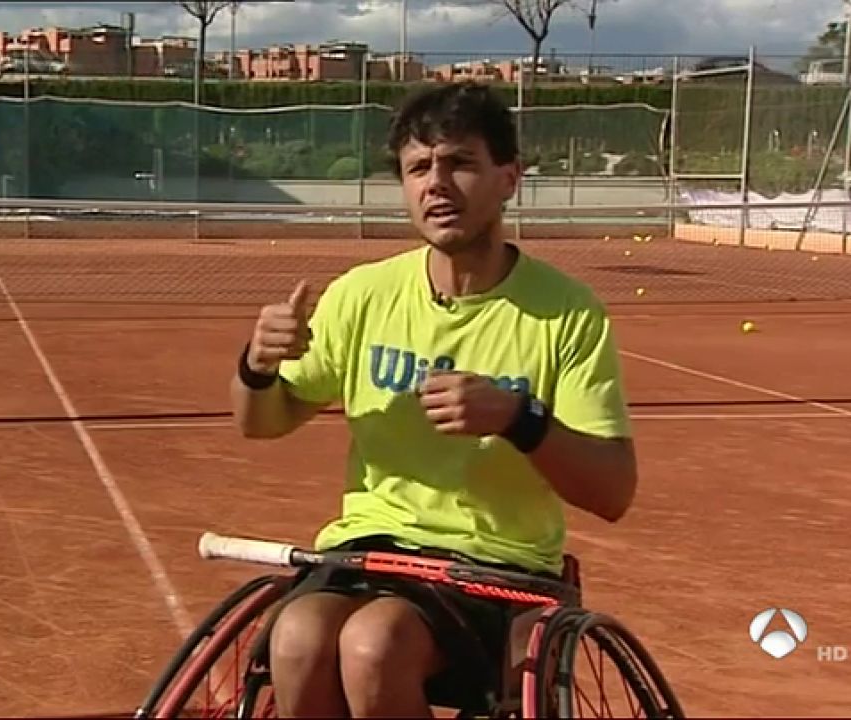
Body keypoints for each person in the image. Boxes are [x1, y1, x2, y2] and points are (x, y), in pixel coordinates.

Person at [228, 81, 638, 718]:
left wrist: (516, 418)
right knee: (299, 636)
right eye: (419, 167)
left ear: (509, 179)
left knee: (374, 643)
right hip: (368, 549)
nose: (436, 184)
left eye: (460, 163)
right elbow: (260, 422)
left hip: (498, 570)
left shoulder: (568, 313)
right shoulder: (361, 294)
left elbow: (612, 491)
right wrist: (256, 367)